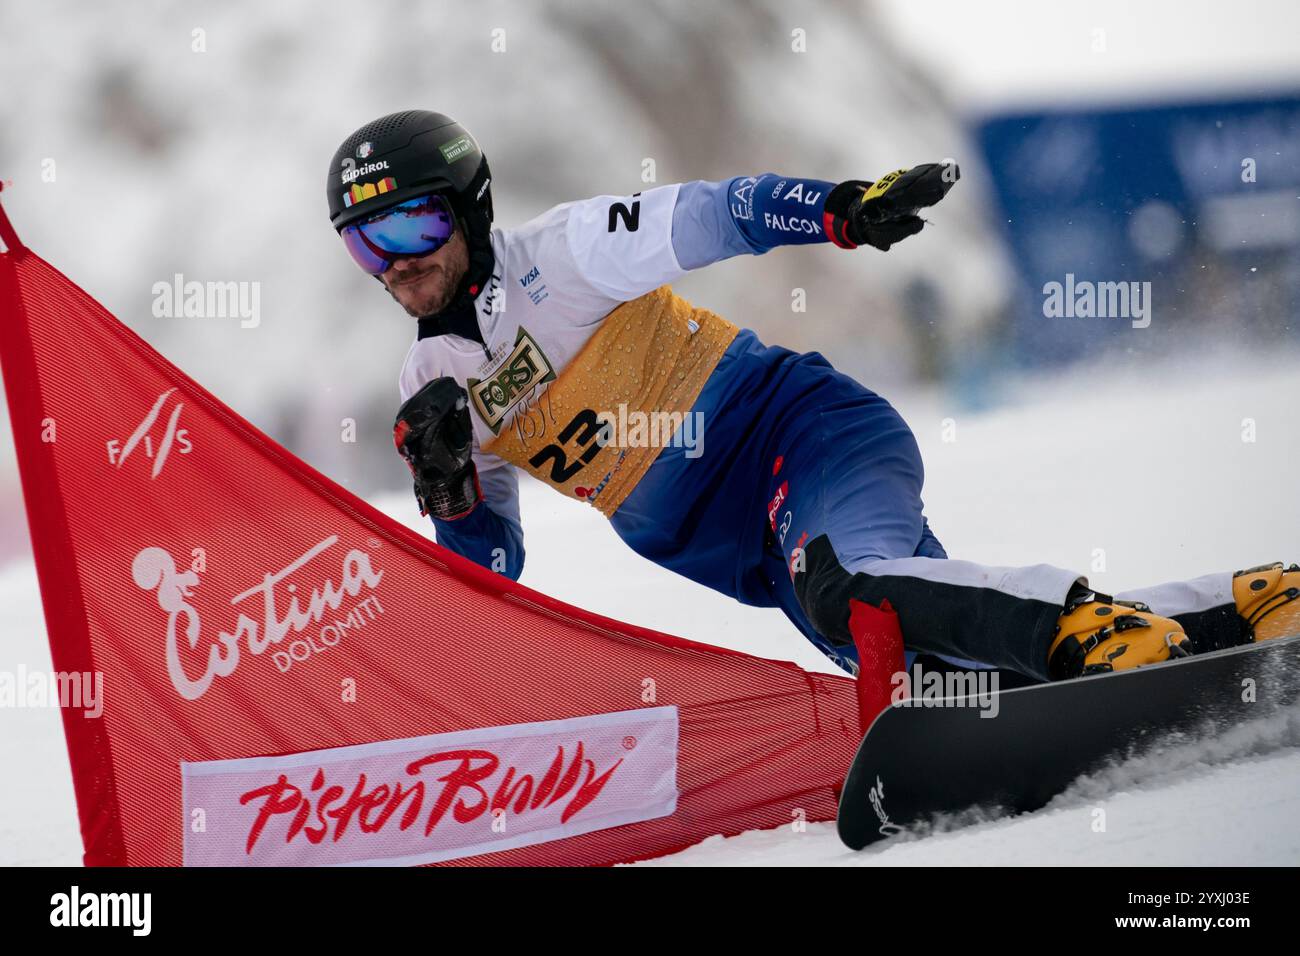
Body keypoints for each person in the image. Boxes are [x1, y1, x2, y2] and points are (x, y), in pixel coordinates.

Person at [326, 110, 1299, 682]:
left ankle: (1078, 626)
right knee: (945, 678)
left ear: (470, 208)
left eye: (411, 227)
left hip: (801, 435)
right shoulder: (429, 390)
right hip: (750, 552)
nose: (397, 266)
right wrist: (448, 482)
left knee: (851, 583)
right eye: (367, 244)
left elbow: (717, 213)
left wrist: (840, 210)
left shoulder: (566, 254)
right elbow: (493, 567)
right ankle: (1239, 607)